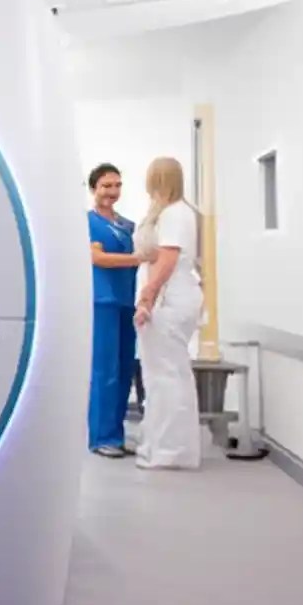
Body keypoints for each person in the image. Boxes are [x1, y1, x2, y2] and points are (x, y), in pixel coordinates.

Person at [133, 156, 203, 470]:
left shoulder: (174, 214)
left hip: (169, 300)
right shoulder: (181, 213)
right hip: (176, 297)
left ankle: (169, 451)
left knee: (165, 377)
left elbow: (167, 260)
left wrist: (147, 297)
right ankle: (167, 447)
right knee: (168, 374)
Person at [86, 163, 145, 458]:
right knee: (104, 370)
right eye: (106, 186)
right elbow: (97, 258)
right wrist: (138, 258)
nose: (112, 191)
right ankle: (100, 437)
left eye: (117, 185)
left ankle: (117, 435)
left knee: (124, 370)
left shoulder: (127, 225)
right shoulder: (88, 221)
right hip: (103, 302)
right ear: (93, 189)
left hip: (126, 301)